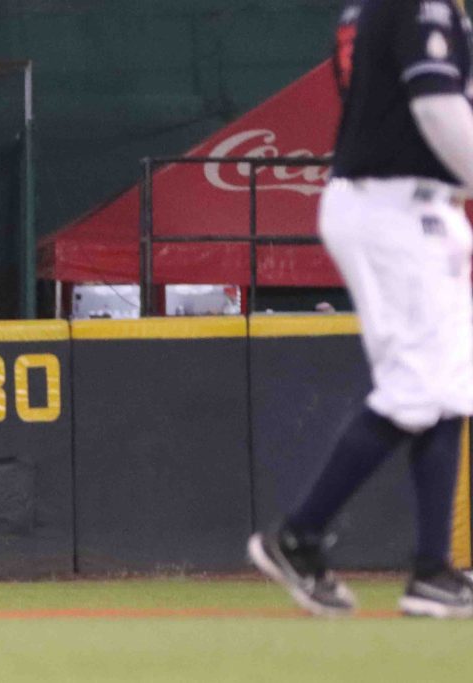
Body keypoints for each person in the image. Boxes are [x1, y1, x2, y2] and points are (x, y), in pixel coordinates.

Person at [249, 0, 473, 618]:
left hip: (417, 206)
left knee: (448, 387)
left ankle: (432, 571)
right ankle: (300, 535)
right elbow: (435, 106)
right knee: (417, 387)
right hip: (395, 207)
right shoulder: (418, 3)